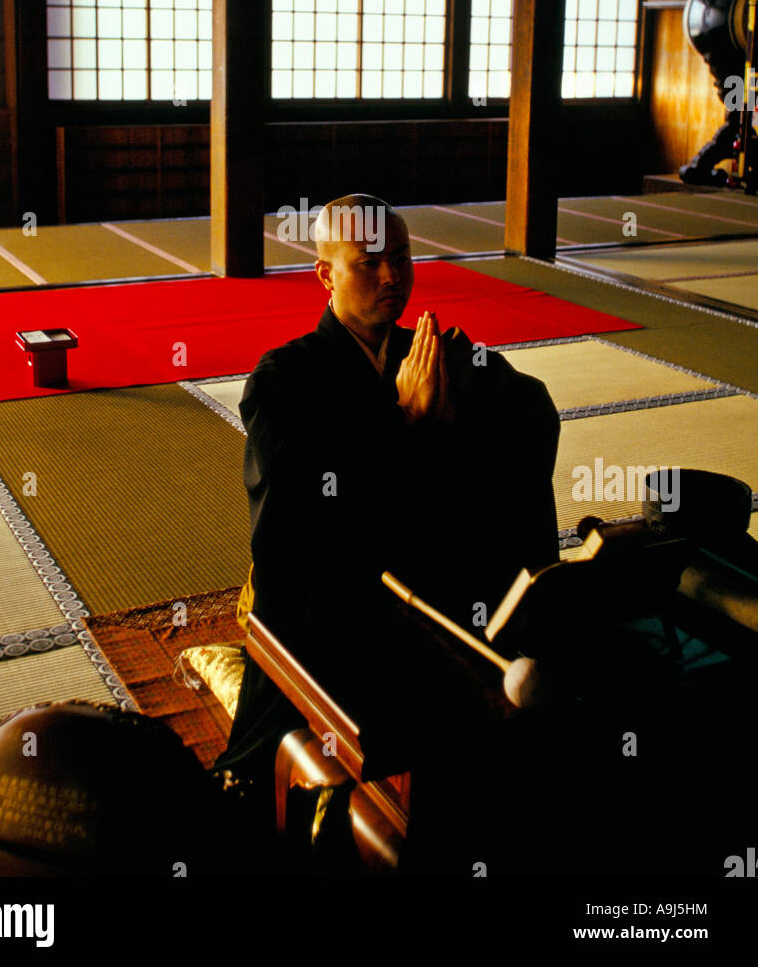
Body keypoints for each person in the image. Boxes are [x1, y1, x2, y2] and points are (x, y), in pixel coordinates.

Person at [221, 194, 561, 791]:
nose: (391, 276)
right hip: (338, 585)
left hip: (431, 572)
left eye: (402, 259)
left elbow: (534, 414)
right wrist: (400, 417)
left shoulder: (431, 351)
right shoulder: (282, 378)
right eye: (368, 262)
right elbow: (293, 516)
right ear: (325, 274)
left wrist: (457, 418)